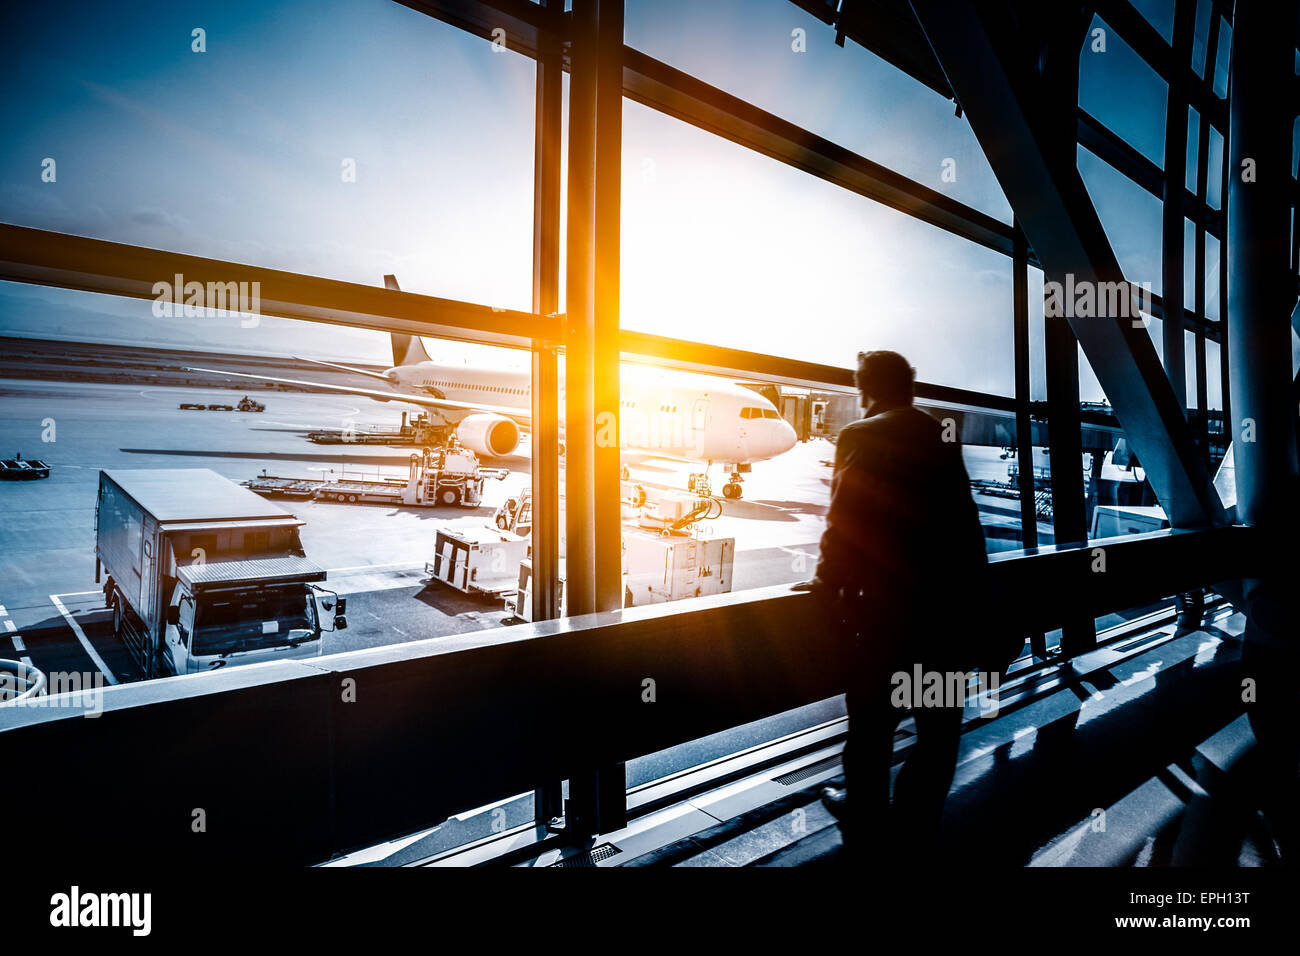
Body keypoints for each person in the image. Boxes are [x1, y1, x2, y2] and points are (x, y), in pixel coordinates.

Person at [801, 350, 989, 862]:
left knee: (871, 728)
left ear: (867, 389)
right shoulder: (938, 435)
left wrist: (823, 585)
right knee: (938, 730)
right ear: (909, 386)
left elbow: (845, 522)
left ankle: (864, 814)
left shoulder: (861, 435)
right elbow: (966, 528)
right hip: (943, 615)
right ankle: (914, 821)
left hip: (884, 617)